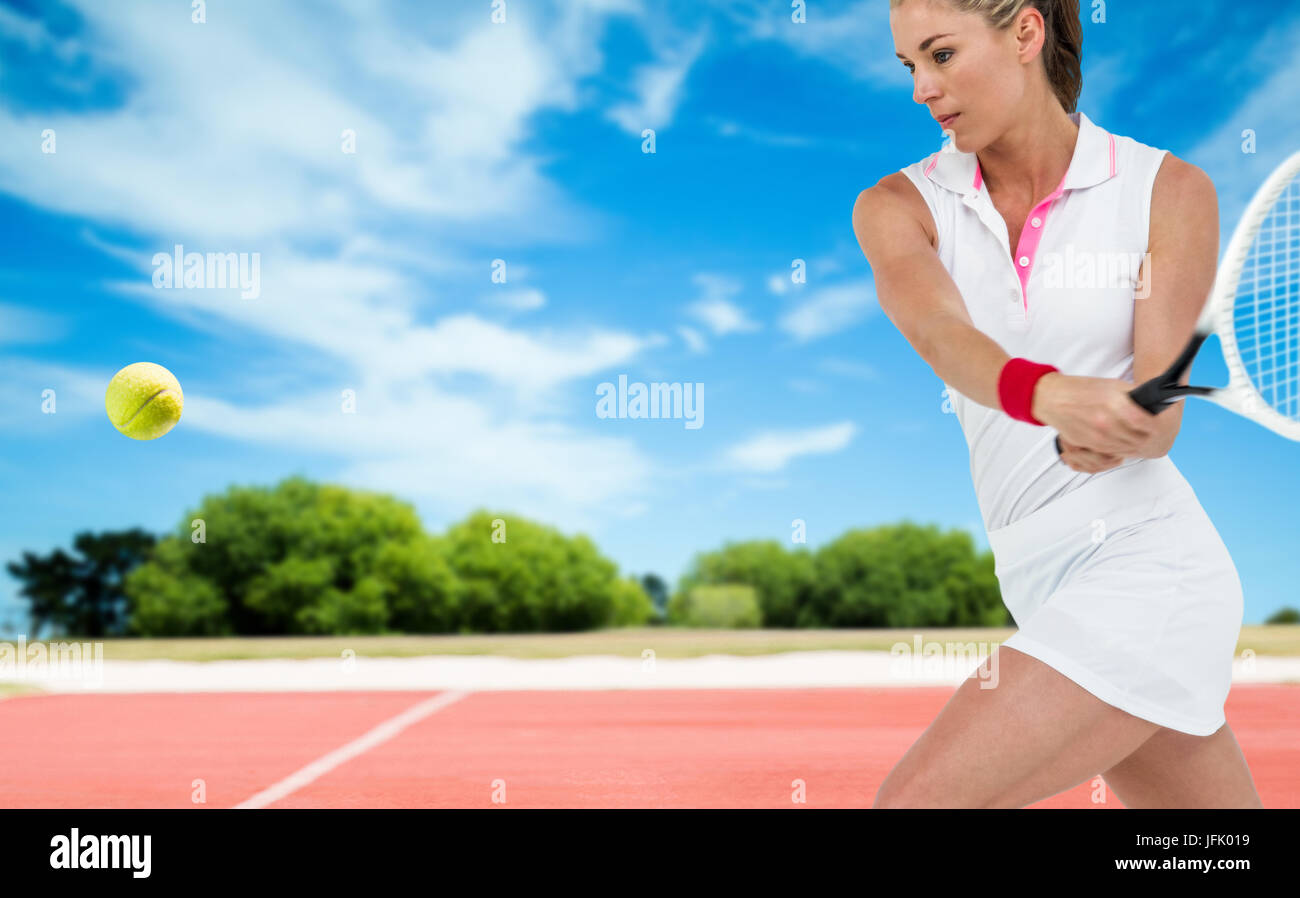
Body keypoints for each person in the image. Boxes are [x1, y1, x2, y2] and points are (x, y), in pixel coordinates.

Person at [852, 0, 1260, 808]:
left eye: (940, 55)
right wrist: (1046, 396)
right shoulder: (899, 207)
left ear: (1027, 33)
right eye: (909, 67)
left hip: (1149, 568)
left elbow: (1161, 414)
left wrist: (1123, 427)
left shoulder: (1167, 191)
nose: (921, 90)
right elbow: (940, 332)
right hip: (1034, 572)